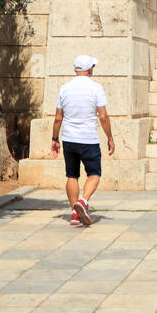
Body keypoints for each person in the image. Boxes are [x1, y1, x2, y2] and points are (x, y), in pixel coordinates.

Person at [50, 55, 114, 227]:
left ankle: (74, 214)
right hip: (88, 139)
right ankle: (83, 202)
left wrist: (54, 139)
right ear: (90, 69)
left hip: (69, 139)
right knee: (94, 174)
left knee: (72, 175)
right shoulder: (96, 88)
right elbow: (103, 116)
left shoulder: (64, 89)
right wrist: (110, 137)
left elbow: (58, 118)